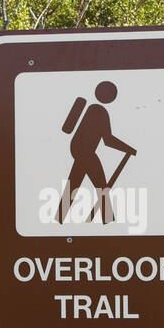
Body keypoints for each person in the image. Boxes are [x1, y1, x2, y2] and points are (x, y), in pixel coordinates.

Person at [59, 81, 136, 224]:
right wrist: (128, 149)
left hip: (78, 150)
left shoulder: (91, 108)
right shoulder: (100, 112)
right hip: (85, 152)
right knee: (101, 185)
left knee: (75, 184)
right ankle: (108, 221)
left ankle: (59, 217)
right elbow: (108, 140)